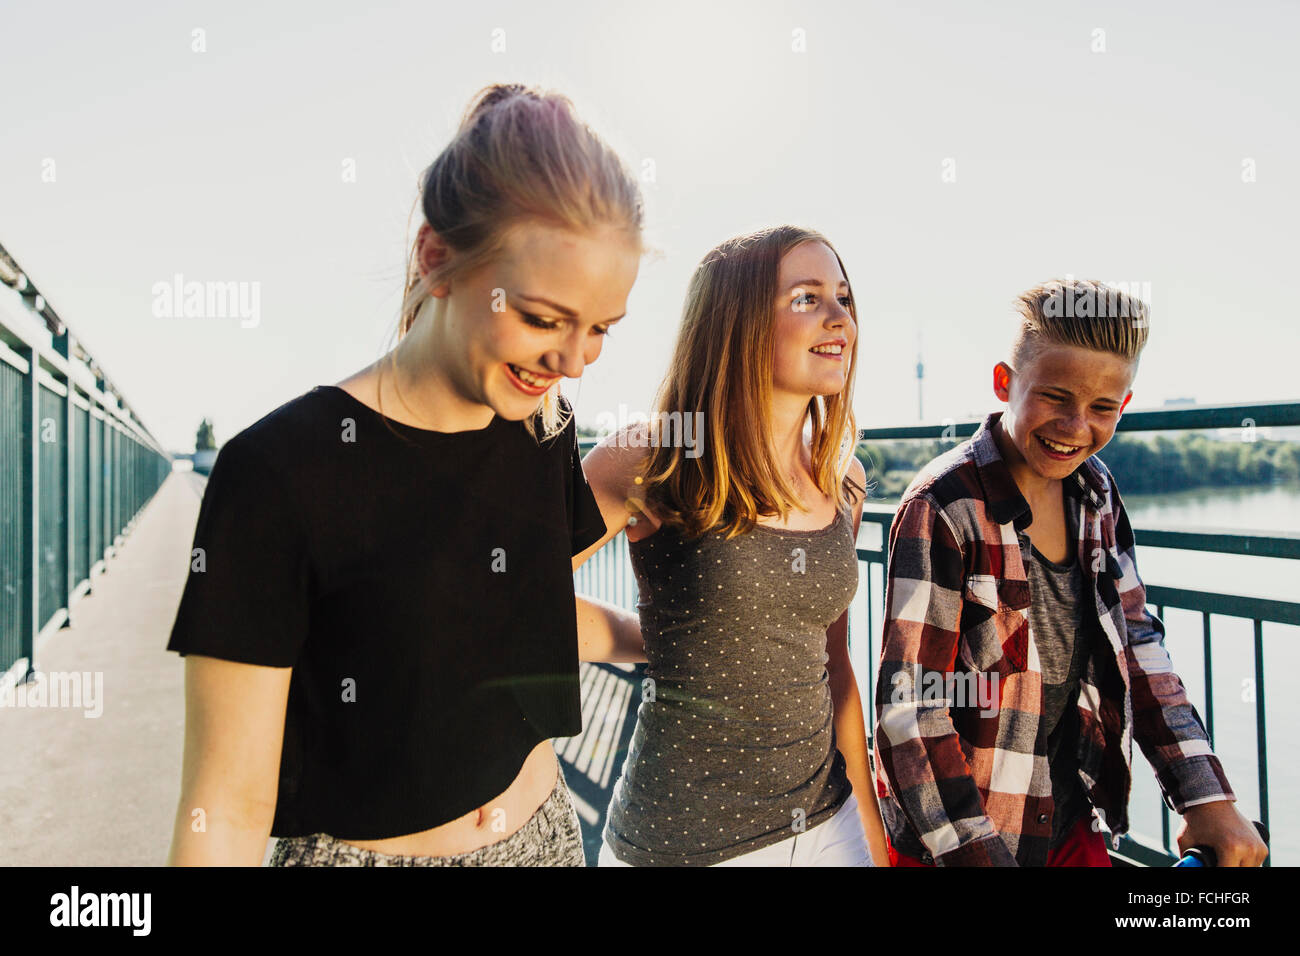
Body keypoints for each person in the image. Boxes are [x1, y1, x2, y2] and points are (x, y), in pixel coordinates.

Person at [165, 83, 648, 866]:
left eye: (599, 329)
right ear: (437, 259)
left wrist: (657, 633)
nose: (571, 363)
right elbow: (224, 809)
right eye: (541, 319)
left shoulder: (539, 427)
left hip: (550, 838)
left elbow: (495, 616)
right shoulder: (275, 475)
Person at [873, 278, 1269, 867]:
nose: (1075, 426)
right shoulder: (943, 507)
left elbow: (1135, 646)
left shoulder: (1098, 492)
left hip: (1065, 815)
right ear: (1004, 382)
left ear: (1124, 406)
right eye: (1056, 397)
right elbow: (909, 708)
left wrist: (1204, 796)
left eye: (1102, 408)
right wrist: (973, 852)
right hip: (959, 836)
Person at [578, 226, 891, 866]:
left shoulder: (844, 480)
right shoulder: (652, 456)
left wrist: (871, 826)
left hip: (829, 826)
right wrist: (658, 638)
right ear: (738, 322)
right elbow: (512, 599)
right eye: (807, 298)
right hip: (684, 842)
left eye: (844, 297)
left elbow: (834, 664)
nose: (840, 319)